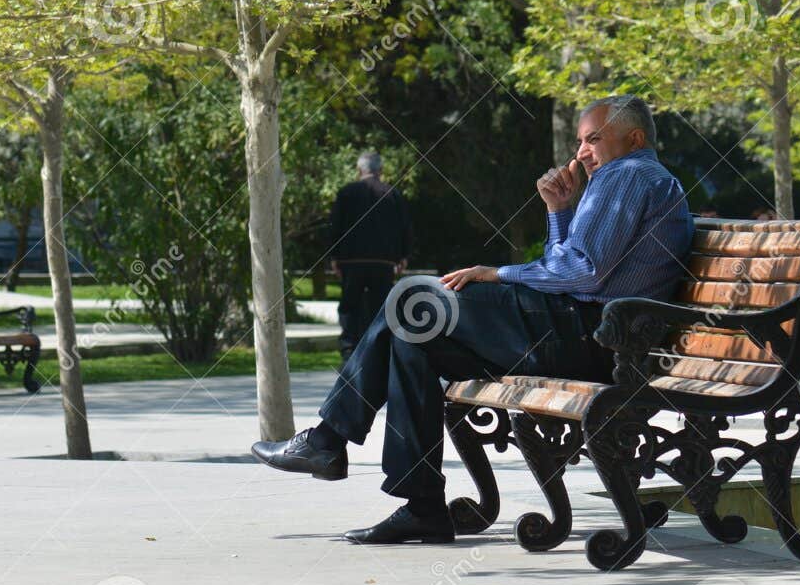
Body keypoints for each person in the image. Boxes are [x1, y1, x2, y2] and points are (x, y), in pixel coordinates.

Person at [252, 94, 695, 545]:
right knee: (413, 338)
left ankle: (327, 441)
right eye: (581, 141)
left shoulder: (629, 174)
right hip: (586, 332)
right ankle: (422, 507)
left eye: (593, 139)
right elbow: (574, 264)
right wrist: (559, 212)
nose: (582, 152)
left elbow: (584, 271)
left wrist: (497, 274)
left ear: (634, 138)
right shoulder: (628, 178)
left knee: (411, 300)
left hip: (591, 333)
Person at [327, 151, 413, 359]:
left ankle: (349, 347)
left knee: (350, 304)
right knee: (381, 305)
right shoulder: (392, 193)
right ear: (380, 171)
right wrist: (403, 255)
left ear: (359, 170)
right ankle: (379, 345)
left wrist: (334, 256)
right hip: (382, 261)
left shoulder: (347, 192)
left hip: (351, 259)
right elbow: (404, 227)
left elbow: (335, 225)